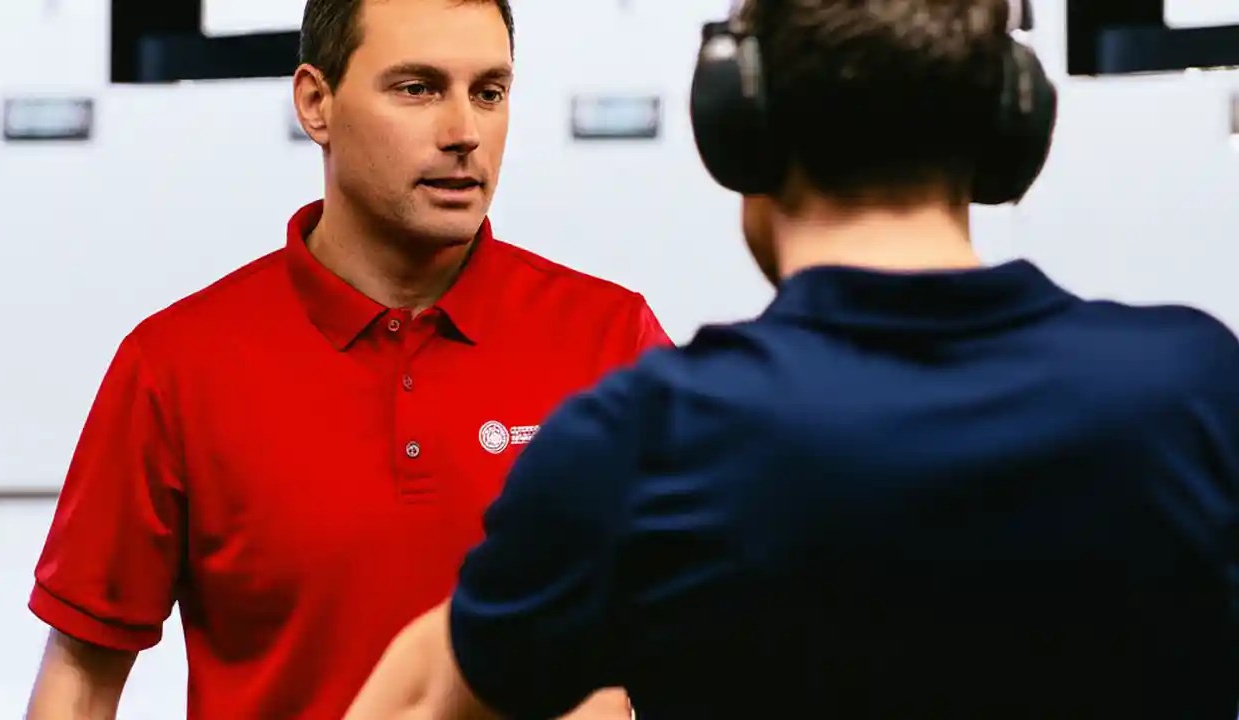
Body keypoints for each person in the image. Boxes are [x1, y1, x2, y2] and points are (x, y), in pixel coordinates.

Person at [341, 0, 1239, 718]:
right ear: (1011, 121)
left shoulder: (650, 443)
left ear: (740, 127)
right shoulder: (1196, 392)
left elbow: (421, 698)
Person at [23, 0, 667, 717]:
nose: (463, 134)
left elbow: (718, 627)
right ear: (316, 102)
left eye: (489, 92)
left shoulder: (612, 340)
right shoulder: (174, 367)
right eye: (416, 89)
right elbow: (79, 678)